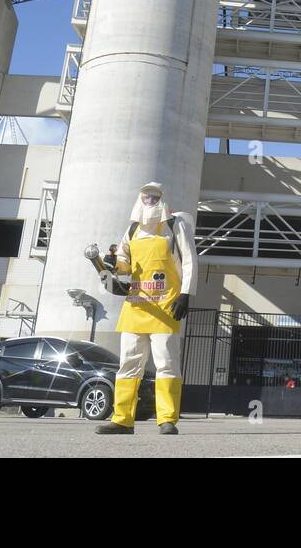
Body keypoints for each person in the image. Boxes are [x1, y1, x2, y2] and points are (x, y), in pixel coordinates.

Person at [95, 181, 196, 436]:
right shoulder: (132, 230)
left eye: (155, 197)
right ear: (139, 199)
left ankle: (167, 419)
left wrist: (185, 294)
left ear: (162, 199)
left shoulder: (175, 226)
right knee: (128, 363)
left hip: (166, 305)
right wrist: (112, 263)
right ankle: (122, 419)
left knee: (166, 363)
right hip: (137, 305)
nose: (150, 201)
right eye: (146, 197)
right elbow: (125, 263)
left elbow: (190, 260)